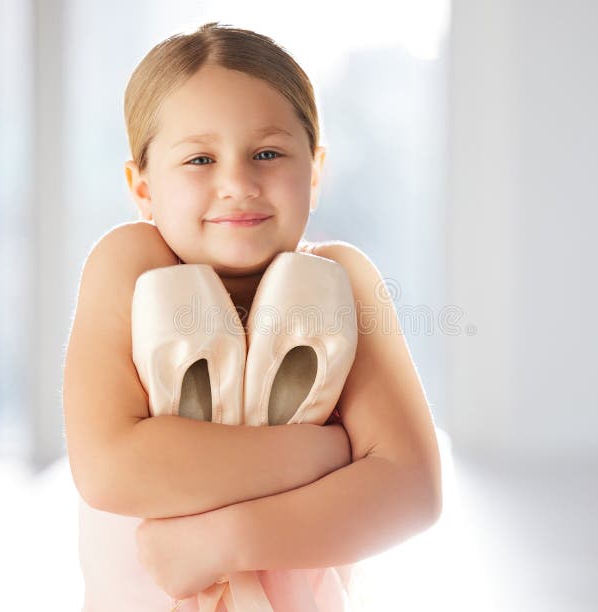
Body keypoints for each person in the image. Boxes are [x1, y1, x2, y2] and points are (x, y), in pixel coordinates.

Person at [62, 21, 442, 611]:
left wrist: (224, 541)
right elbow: (111, 469)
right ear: (143, 188)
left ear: (314, 171)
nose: (238, 183)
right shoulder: (130, 265)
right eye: (200, 159)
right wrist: (322, 454)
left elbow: (412, 490)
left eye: (267, 153)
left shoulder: (342, 280)